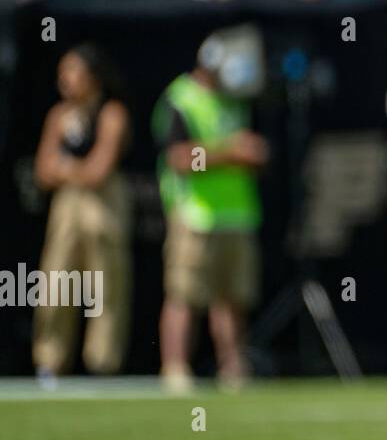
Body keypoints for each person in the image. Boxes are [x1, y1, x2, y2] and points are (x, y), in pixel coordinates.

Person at [151, 25, 268, 391]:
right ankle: (175, 370)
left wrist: (250, 156)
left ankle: (233, 370)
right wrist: (230, 153)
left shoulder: (235, 99)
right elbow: (180, 160)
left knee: (232, 299)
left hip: (237, 213)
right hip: (194, 214)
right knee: (185, 295)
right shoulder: (180, 99)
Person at [32, 44, 132, 381]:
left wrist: (65, 167)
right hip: (67, 209)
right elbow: (42, 171)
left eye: (73, 72)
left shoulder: (111, 113)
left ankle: (103, 361)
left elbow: (99, 171)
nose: (65, 80)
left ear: (93, 76)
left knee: (106, 285)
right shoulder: (58, 116)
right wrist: (74, 170)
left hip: (104, 207)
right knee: (56, 280)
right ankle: (51, 359)